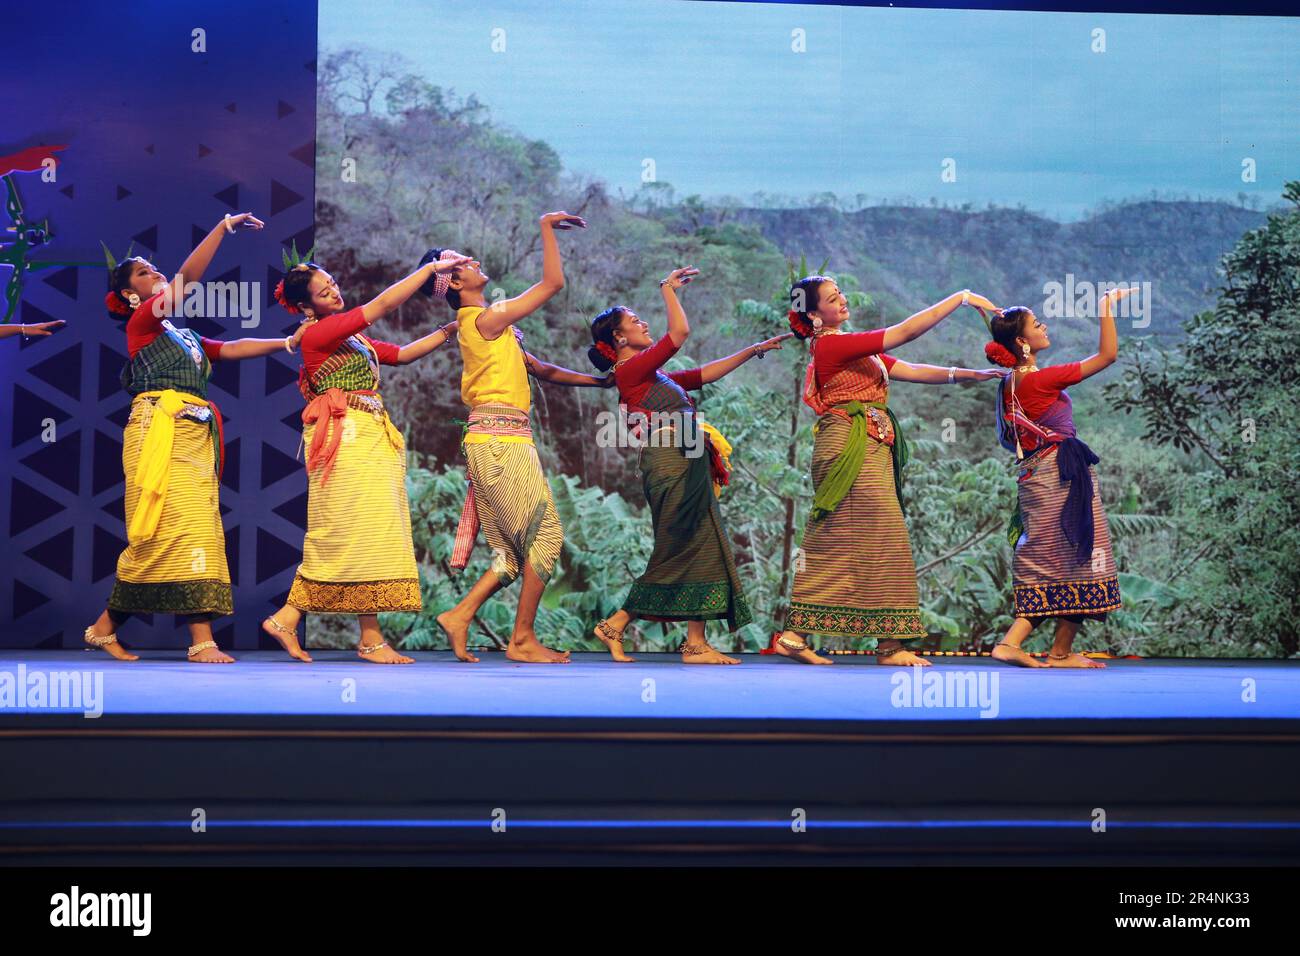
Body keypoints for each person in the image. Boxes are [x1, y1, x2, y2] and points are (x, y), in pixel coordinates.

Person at [84, 213, 298, 663]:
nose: (155, 273)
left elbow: (232, 348)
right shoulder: (141, 325)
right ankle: (201, 640)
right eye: (144, 273)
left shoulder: (184, 336)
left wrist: (286, 343)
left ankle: (106, 627)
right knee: (170, 527)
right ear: (129, 293)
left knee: (188, 528)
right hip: (158, 429)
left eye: (153, 268)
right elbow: (185, 282)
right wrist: (222, 228)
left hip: (194, 434)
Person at [768, 276, 1002, 666]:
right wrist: (959, 296)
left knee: (844, 541)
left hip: (865, 444)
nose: (841, 300)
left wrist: (968, 375)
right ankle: (888, 645)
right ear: (813, 314)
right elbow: (905, 333)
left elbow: (908, 368)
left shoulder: (851, 349)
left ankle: (796, 637)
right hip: (848, 446)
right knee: (883, 538)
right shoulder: (832, 345)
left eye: (840, 293)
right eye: (831, 298)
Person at [260, 251, 470, 664]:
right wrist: (428, 270)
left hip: (369, 432)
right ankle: (364, 637)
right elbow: (381, 306)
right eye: (324, 292)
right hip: (345, 432)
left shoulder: (351, 339)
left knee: (367, 530)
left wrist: (450, 328)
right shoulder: (321, 333)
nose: (334, 292)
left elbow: (403, 355)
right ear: (307, 307)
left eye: (333, 285)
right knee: (347, 527)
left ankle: (298, 619)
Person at [424, 213, 613, 663]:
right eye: (462, 264)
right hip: (498, 440)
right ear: (453, 283)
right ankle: (522, 639)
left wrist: (598, 382)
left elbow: (541, 369)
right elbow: (551, 284)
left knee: (511, 554)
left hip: (502, 439)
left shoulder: (495, 326)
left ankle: (460, 615)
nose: (472, 262)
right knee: (546, 536)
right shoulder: (483, 320)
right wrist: (545, 226)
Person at [587, 267, 789, 663]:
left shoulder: (653, 376)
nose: (643, 324)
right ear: (618, 338)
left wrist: (753, 350)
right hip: (671, 458)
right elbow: (679, 335)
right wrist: (667, 288)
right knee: (679, 544)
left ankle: (693, 642)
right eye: (635, 321)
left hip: (687, 455)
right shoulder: (632, 370)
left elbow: (702, 374)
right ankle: (617, 623)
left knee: (704, 540)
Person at [981, 289, 1129, 668]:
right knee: (1061, 556)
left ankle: (1060, 651)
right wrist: (1106, 307)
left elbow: (1003, 332)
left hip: (1044, 472)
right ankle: (1011, 643)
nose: (1043, 326)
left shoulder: (1010, 383)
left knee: (1071, 556)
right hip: (1058, 474)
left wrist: (989, 310)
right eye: (1035, 324)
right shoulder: (1040, 381)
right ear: (1021, 341)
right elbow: (1107, 356)